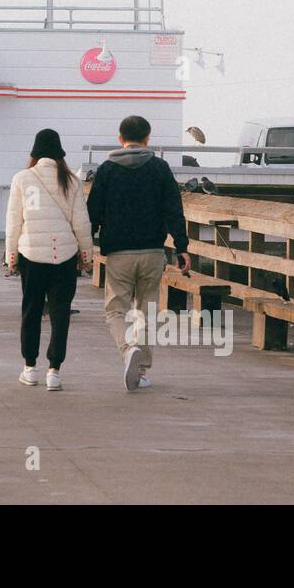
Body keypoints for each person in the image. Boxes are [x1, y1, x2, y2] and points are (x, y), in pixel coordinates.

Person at [86, 114, 190, 392]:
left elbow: (93, 212)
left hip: (119, 252)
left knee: (115, 310)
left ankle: (127, 349)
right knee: (146, 311)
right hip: (153, 251)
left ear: (120, 139)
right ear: (147, 139)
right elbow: (173, 210)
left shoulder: (107, 169)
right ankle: (142, 371)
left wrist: (86, 247)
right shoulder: (160, 168)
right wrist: (182, 246)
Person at [5, 129, 91, 392]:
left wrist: (11, 256)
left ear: (35, 152)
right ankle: (54, 371)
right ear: (59, 153)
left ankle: (29, 368)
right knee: (60, 313)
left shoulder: (22, 179)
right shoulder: (72, 181)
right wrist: (86, 256)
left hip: (31, 255)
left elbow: (13, 222)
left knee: (31, 311)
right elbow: (81, 224)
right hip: (64, 257)